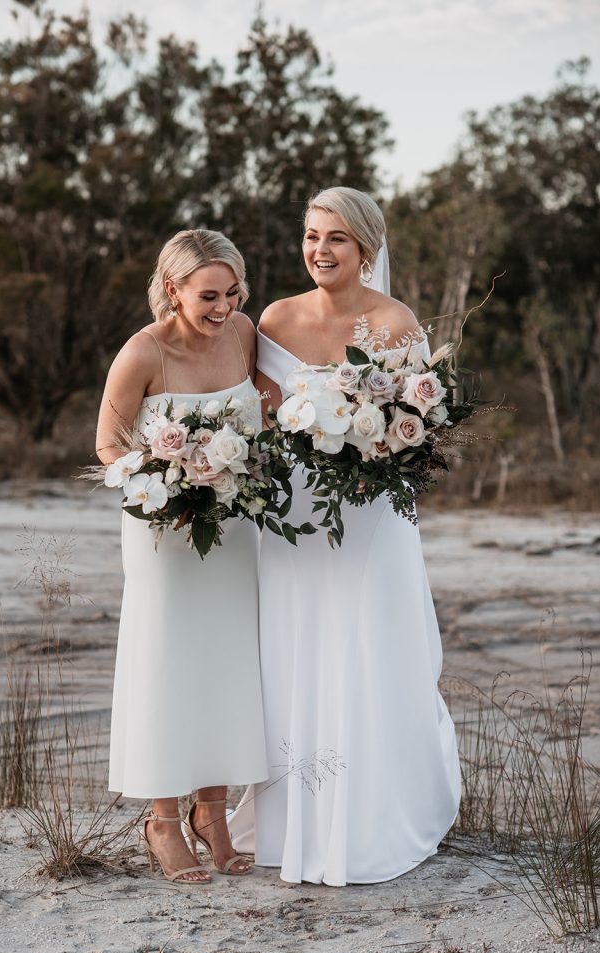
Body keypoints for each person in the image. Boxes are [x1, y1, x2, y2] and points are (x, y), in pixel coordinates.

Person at [229, 187, 461, 886]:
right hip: (295, 512)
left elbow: (420, 427)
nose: (319, 251)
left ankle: (368, 812)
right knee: (294, 644)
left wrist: (371, 450)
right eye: (310, 236)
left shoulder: (393, 322)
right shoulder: (273, 317)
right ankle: (288, 817)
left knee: (368, 643)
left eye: (334, 239)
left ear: (365, 247)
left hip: (368, 513)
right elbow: (258, 417)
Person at [97, 229, 268, 883]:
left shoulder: (245, 332)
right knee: (168, 664)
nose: (222, 307)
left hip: (234, 529)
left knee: (228, 663)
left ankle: (214, 815)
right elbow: (108, 446)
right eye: (207, 295)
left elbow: (261, 416)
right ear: (171, 290)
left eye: (232, 292)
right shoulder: (142, 352)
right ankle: (163, 820)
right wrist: (167, 479)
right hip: (164, 532)